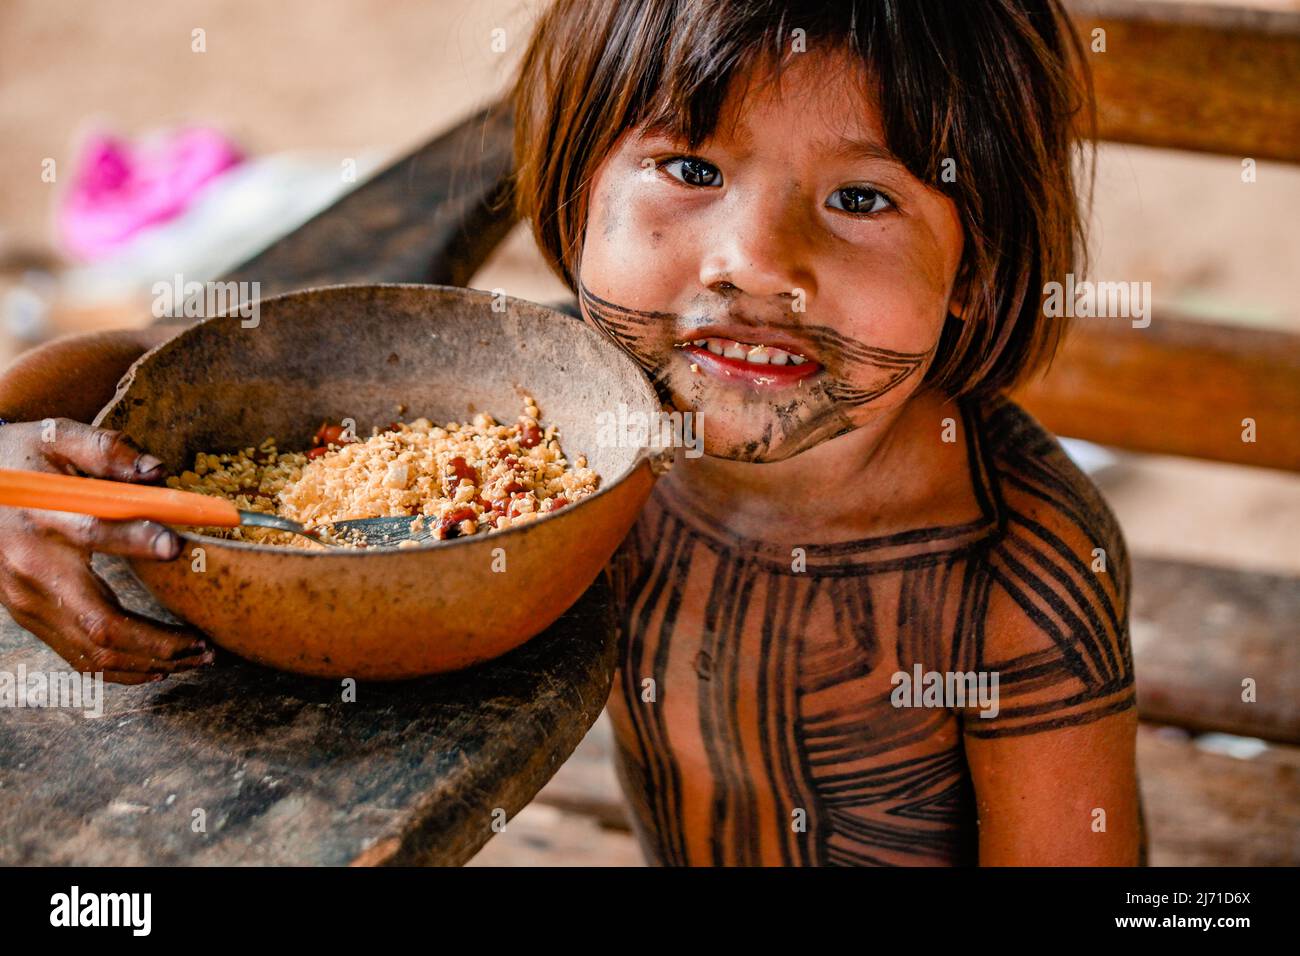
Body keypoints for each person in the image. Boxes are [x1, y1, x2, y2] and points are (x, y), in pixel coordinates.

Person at [0, 0, 1140, 863]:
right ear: (574, 200)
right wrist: (17, 445)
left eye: (860, 198)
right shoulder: (562, 421)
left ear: (976, 274)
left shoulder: (1012, 566)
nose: (754, 263)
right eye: (690, 168)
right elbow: (180, 371)